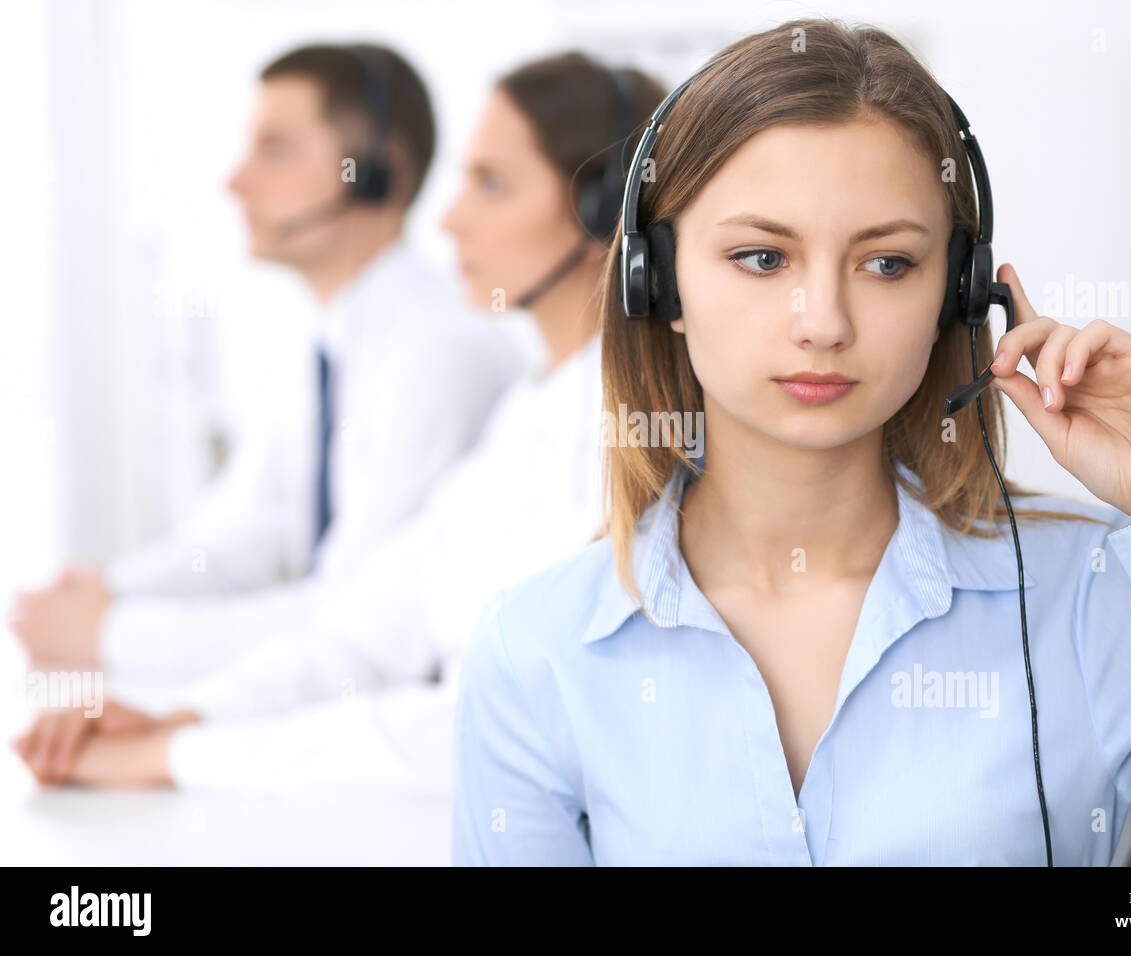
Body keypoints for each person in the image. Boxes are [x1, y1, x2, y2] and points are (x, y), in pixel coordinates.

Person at [449, 19, 1131, 865]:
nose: (823, 323)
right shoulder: (537, 654)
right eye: (760, 257)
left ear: (957, 294)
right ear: (658, 282)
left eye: (887, 263)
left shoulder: (1087, 598)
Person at [11, 54, 668, 796]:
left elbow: (505, 722)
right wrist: (180, 720)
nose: (449, 218)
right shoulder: (531, 413)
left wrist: (172, 745)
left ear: (603, 209)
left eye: (491, 183)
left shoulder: (627, 432)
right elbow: (360, 631)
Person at [9, 43, 529, 683]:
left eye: (275, 150)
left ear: (373, 174)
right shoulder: (327, 342)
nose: (236, 181)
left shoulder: (437, 353)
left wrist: (114, 635)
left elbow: (355, 620)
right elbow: (243, 537)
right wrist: (102, 595)